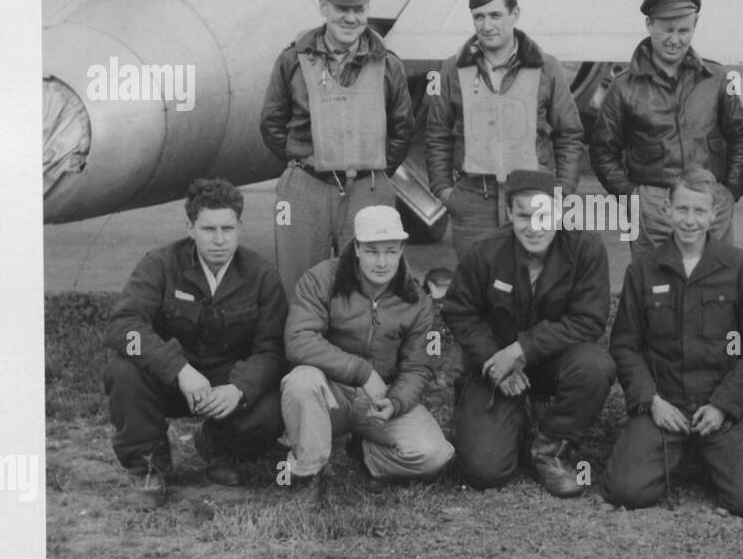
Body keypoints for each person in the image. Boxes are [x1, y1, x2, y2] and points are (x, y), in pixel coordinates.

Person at [601, 170, 743, 516]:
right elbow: (625, 345)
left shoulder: (741, 268)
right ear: (666, 210)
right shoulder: (643, 271)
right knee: (625, 490)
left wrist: (724, 405)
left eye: (699, 211)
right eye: (682, 210)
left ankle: (720, 447)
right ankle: (683, 451)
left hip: (719, 404)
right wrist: (651, 401)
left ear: (714, 214)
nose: (690, 220)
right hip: (665, 404)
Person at [103, 178, 287, 506]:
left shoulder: (262, 276)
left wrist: (240, 389)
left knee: (272, 408)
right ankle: (147, 465)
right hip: (172, 380)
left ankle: (219, 446)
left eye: (227, 229)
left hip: (225, 385)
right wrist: (178, 369)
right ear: (190, 228)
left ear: (240, 227)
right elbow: (123, 327)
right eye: (208, 229)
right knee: (123, 368)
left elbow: (271, 350)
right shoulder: (159, 264)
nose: (219, 240)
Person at [441, 169, 614, 497]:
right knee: (484, 471)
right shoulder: (485, 251)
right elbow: (458, 313)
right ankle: (510, 418)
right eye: (524, 216)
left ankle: (547, 449)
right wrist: (494, 361)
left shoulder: (585, 248)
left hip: (553, 359)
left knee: (595, 366)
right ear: (508, 213)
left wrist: (520, 351)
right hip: (494, 361)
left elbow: (589, 320)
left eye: (544, 215)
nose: (534, 227)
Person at [278, 206, 453, 501]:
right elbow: (298, 339)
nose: (382, 262)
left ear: (401, 249)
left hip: (379, 397)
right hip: (330, 391)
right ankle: (309, 474)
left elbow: (419, 367)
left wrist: (396, 403)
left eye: (390, 251)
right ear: (356, 247)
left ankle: (365, 453)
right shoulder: (321, 279)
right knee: (301, 381)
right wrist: (361, 371)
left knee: (436, 454)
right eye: (372, 251)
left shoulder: (416, 299)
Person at [259, 0, 415, 297]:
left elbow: (403, 129)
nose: (350, 18)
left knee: (370, 287)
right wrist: (302, 162)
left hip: (368, 185)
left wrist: (374, 172)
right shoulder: (292, 60)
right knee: (299, 287)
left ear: (368, 11)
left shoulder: (388, 64)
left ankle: (363, 350)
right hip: (308, 185)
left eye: (358, 10)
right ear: (323, 7)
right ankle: (301, 347)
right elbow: (271, 124)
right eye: (341, 9)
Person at [589, 0, 743, 260]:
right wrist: (632, 197)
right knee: (655, 290)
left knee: (716, 287)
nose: (674, 40)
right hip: (653, 205)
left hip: (709, 199)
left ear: (695, 25)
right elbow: (603, 149)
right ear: (649, 24)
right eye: (666, 30)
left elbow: (739, 134)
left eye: (683, 30)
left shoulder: (717, 78)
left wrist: (731, 190)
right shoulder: (624, 87)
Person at [425, 0, 584, 257]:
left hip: (534, 198)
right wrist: (444, 191)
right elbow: (437, 133)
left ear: (515, 14)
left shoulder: (547, 68)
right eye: (479, 17)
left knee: (534, 285)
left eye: (496, 15)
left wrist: (563, 191)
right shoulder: (450, 69)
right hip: (474, 201)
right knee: (477, 289)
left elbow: (569, 133)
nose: (487, 26)